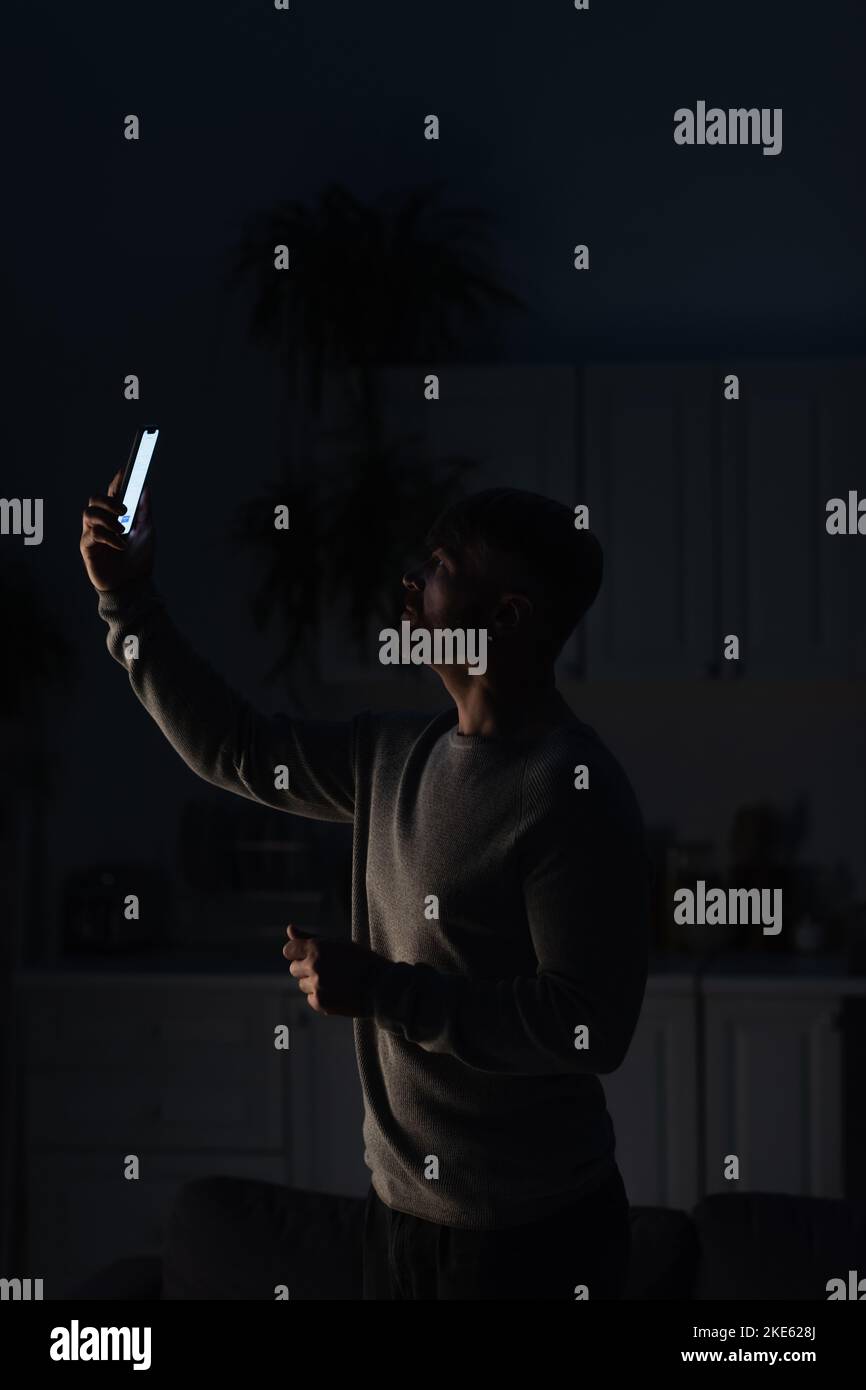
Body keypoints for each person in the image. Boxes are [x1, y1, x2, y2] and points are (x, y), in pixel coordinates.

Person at [80, 474, 651, 1301]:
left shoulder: (569, 787)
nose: (412, 582)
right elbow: (234, 747)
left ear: (508, 616)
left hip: (534, 1241)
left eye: (444, 565)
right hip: (399, 1223)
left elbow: (589, 1026)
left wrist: (382, 990)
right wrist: (127, 602)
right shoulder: (393, 758)